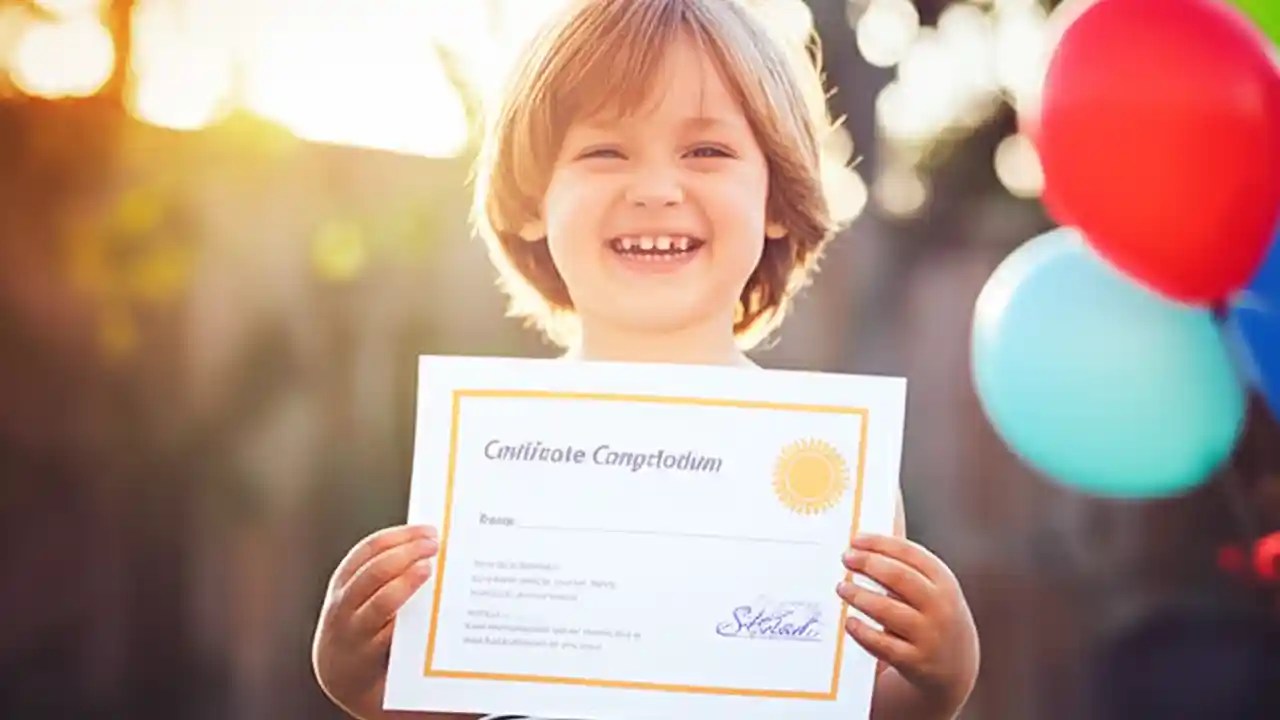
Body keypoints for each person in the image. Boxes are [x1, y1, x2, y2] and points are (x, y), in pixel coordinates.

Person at [310, 0, 980, 718]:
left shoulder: (831, 461)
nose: (657, 190)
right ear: (534, 200)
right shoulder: (486, 459)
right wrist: (356, 680)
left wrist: (942, 676)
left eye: (707, 152)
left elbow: (859, 707)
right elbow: (457, 703)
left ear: (776, 196)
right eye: (605, 152)